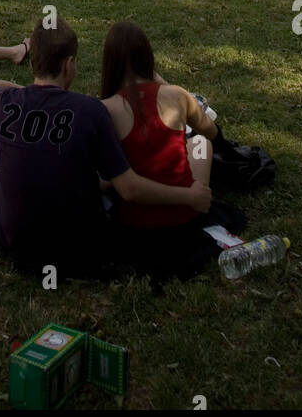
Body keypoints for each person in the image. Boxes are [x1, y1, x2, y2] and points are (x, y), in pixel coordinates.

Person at [0, 16, 212, 280]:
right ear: (69, 65)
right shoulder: (90, 111)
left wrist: (32, 96)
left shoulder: (3, 102)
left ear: (32, 61)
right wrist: (190, 196)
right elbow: (130, 188)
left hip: (16, 244)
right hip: (78, 250)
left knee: (0, 140)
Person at [99, 19, 237, 279]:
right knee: (200, 143)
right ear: (148, 58)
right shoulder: (177, 96)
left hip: (135, 223)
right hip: (186, 214)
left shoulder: (106, 109)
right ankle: (195, 191)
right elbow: (211, 131)